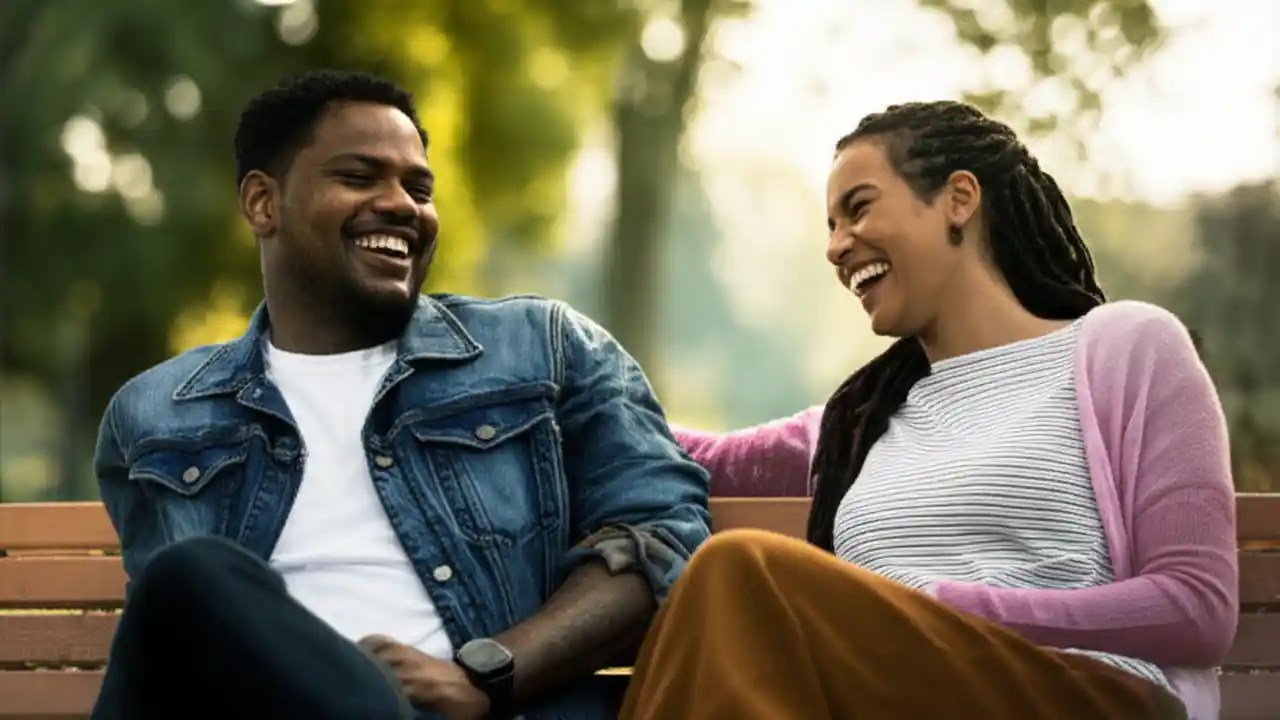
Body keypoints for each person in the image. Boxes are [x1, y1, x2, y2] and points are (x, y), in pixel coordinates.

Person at [90, 69, 711, 720]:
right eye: (358, 178)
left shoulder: (545, 350)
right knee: (189, 579)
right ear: (262, 203)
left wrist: (486, 672)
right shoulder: (155, 413)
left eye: (419, 187)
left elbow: (660, 538)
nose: (401, 204)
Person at [631, 100, 1237, 720]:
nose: (837, 247)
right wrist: (566, 358)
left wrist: (944, 609)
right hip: (878, 695)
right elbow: (663, 450)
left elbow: (1196, 607)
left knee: (737, 573)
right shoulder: (857, 423)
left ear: (959, 198)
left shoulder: (1123, 348)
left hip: (1078, 695)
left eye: (858, 208)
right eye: (831, 227)